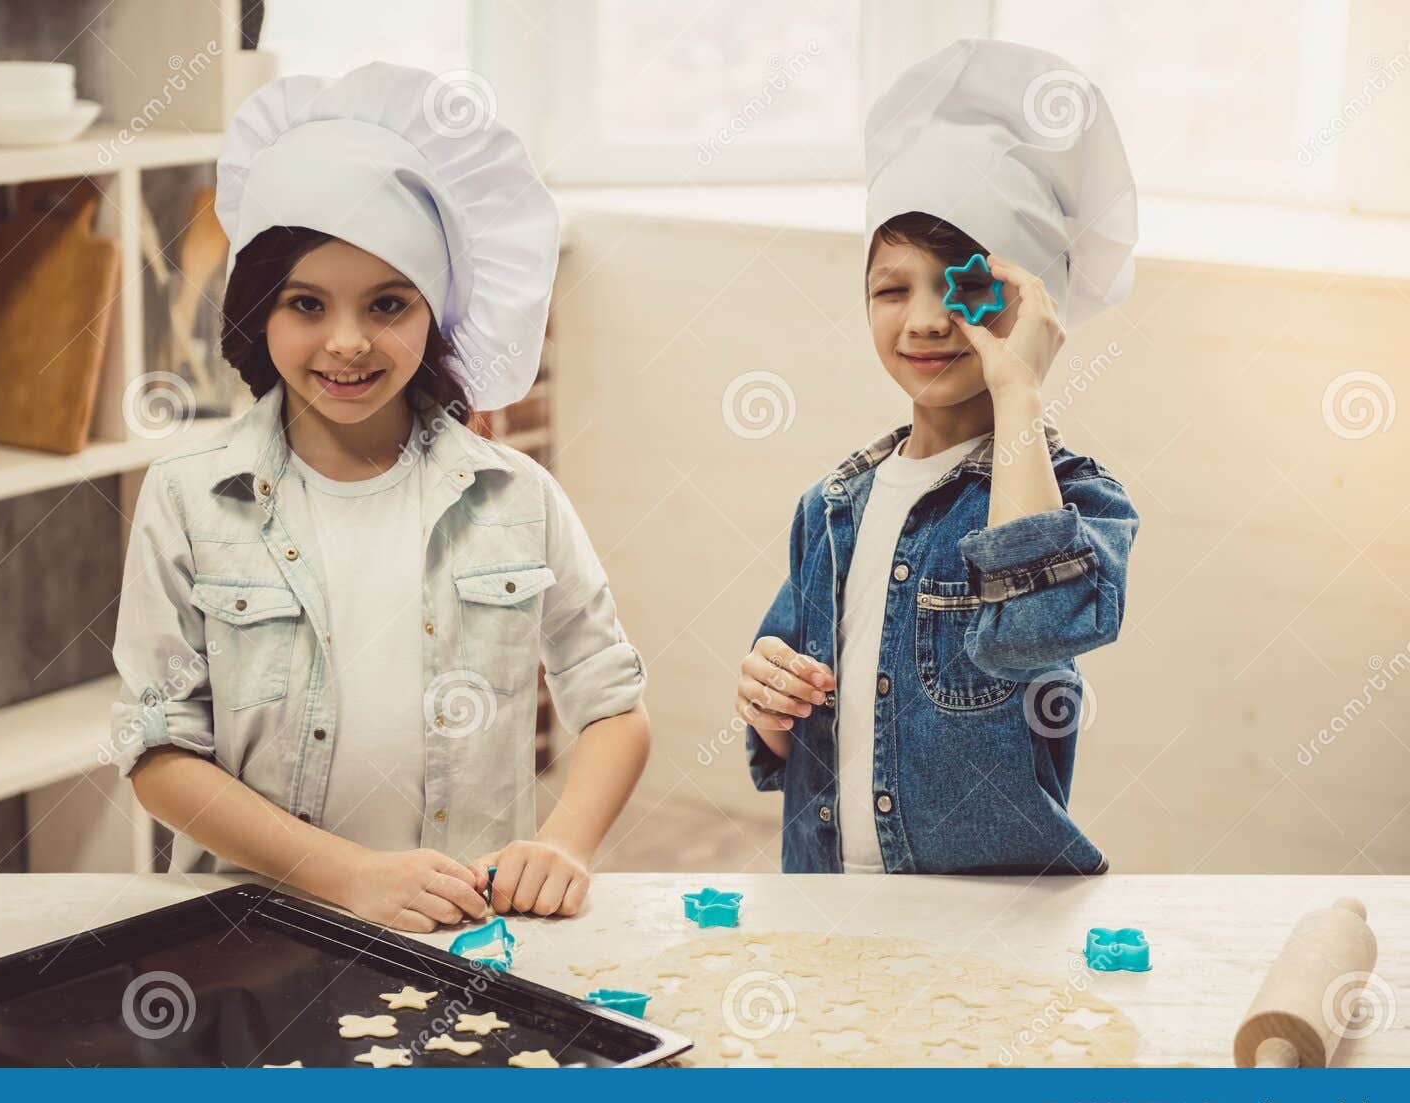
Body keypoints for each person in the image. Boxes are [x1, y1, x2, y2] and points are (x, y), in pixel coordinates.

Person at [110, 64, 650, 931]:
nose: (348, 342)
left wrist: (565, 845)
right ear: (261, 314)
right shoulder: (187, 498)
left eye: (388, 303)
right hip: (253, 932)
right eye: (307, 303)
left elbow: (613, 707)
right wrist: (350, 876)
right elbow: (158, 750)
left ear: (433, 315)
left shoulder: (517, 496)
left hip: (464, 932)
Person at [736, 39, 1140, 875]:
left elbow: (1032, 628)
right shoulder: (831, 510)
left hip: (996, 921)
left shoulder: (1082, 505)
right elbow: (788, 726)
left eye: (963, 287)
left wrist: (1020, 387)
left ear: (1034, 305)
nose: (922, 320)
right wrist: (769, 704)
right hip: (834, 900)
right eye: (892, 288)